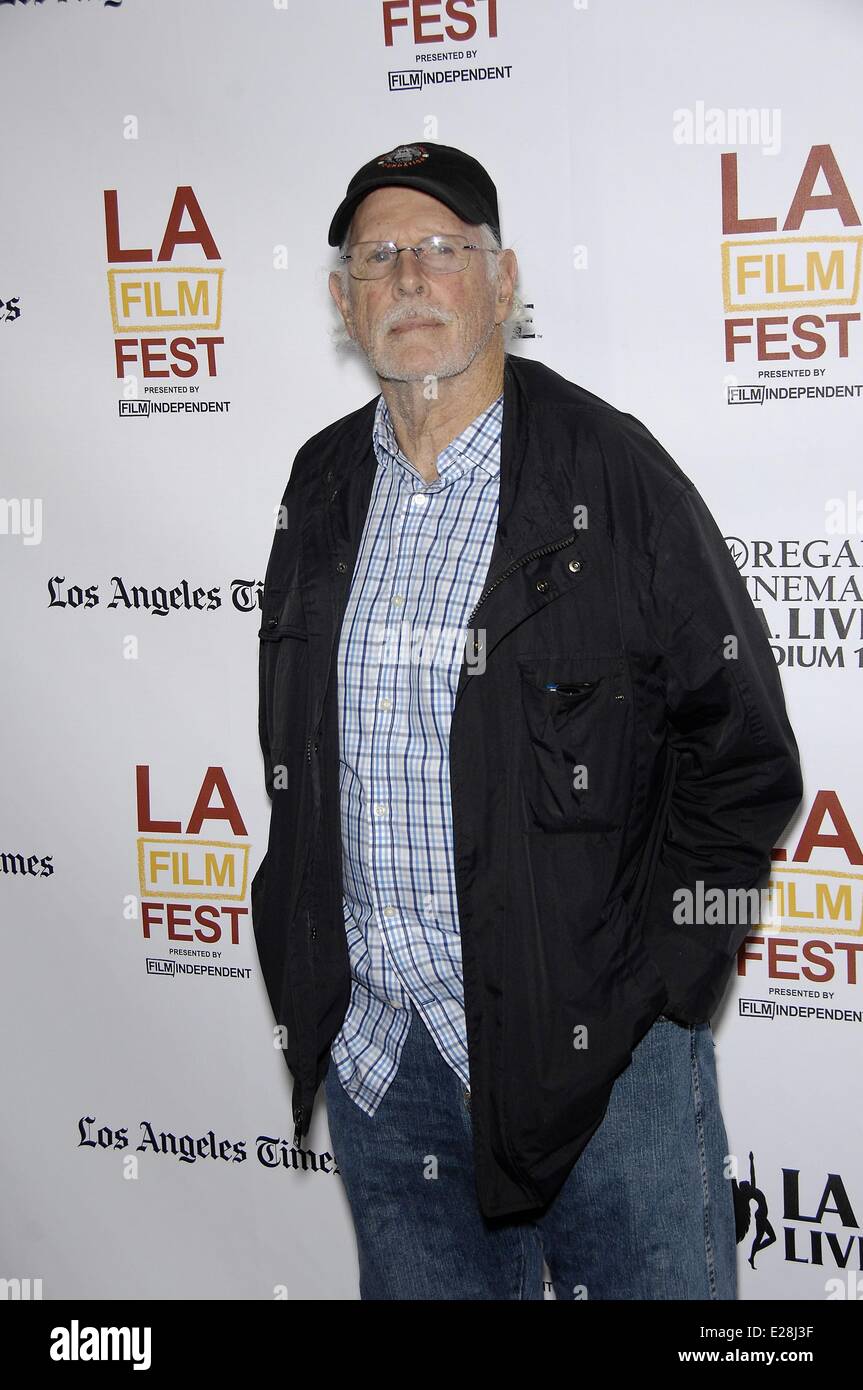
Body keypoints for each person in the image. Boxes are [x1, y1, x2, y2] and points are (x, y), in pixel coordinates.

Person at [251, 140, 803, 1300]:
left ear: (502, 283)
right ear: (345, 302)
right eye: (376, 257)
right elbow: (300, 747)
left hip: (594, 1053)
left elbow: (739, 752)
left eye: (441, 250)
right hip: (380, 1056)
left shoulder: (613, 472)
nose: (407, 277)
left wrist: (654, 992)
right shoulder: (318, 486)